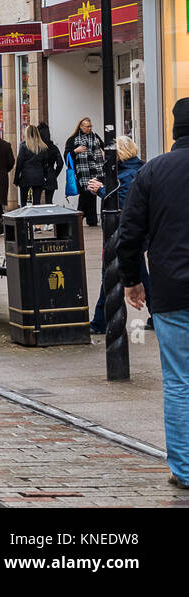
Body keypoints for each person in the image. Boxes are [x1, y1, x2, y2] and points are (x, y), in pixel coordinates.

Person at [115, 99, 189, 491]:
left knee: (179, 381)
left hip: (172, 288)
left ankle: (186, 467)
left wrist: (132, 279)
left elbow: (129, 235)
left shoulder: (153, 171)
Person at [87, 135, 147, 335]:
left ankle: (99, 322)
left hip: (122, 233)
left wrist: (102, 190)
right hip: (130, 233)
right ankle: (157, 314)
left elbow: (124, 201)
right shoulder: (132, 170)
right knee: (139, 274)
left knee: (110, 276)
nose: (105, 158)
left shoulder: (129, 174)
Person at [66, 117, 104, 226]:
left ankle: (87, 219)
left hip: (96, 170)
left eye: (91, 126)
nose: (89, 128)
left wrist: (99, 146)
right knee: (85, 194)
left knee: (91, 194)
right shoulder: (73, 139)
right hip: (82, 172)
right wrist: (75, 151)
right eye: (87, 126)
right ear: (81, 127)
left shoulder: (95, 137)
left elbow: (104, 147)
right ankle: (83, 218)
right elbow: (67, 155)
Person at [15, 125, 49, 207]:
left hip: (26, 176)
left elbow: (19, 163)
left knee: (23, 202)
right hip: (39, 176)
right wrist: (45, 177)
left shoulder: (23, 146)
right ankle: (35, 219)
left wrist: (16, 178)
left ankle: (24, 219)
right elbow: (45, 164)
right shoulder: (43, 147)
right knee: (36, 203)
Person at [38, 122, 64, 204]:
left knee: (36, 201)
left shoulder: (37, 148)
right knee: (49, 201)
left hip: (38, 174)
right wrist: (54, 174)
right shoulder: (54, 147)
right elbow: (60, 163)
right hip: (50, 173)